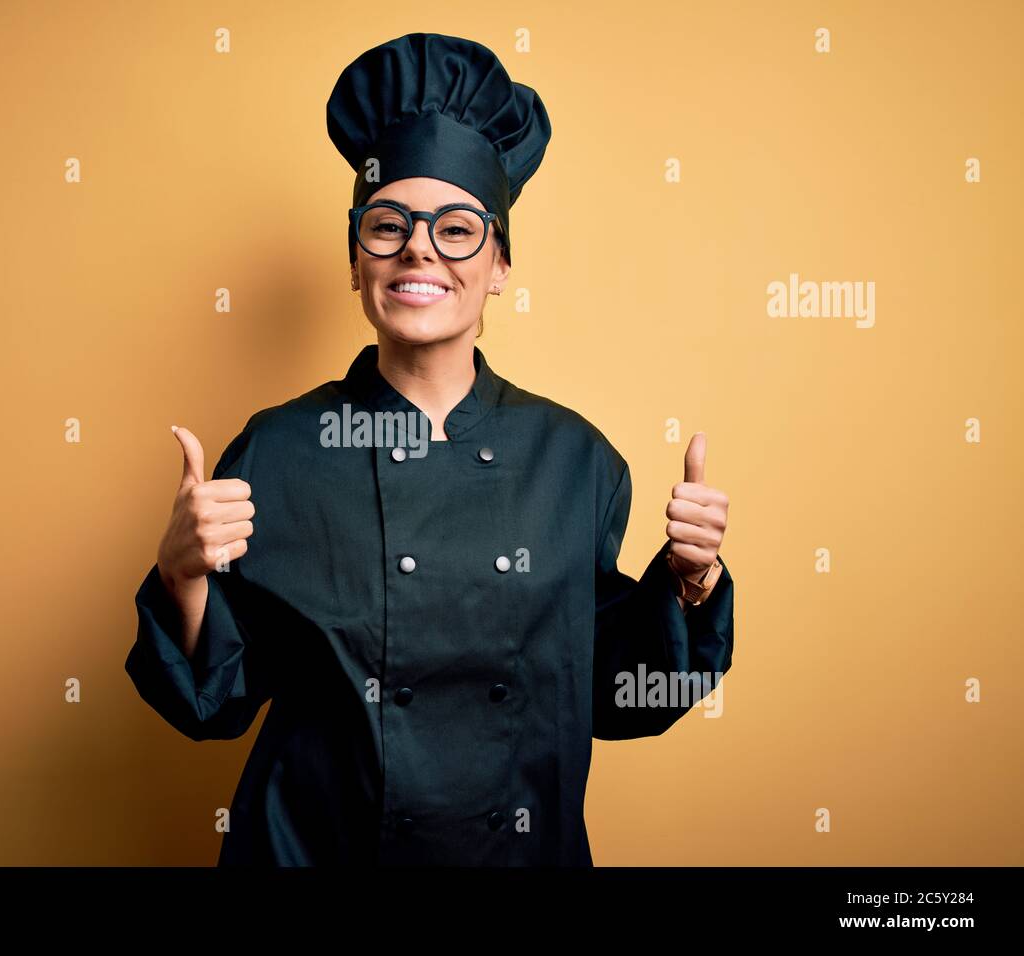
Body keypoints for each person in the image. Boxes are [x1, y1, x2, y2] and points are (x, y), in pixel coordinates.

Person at [124, 32, 734, 866]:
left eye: (456, 228)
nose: (419, 249)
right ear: (355, 261)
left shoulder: (576, 460)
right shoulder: (277, 452)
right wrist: (180, 573)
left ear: (499, 266)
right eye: (388, 226)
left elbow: (616, 695)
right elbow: (215, 704)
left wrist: (689, 582)